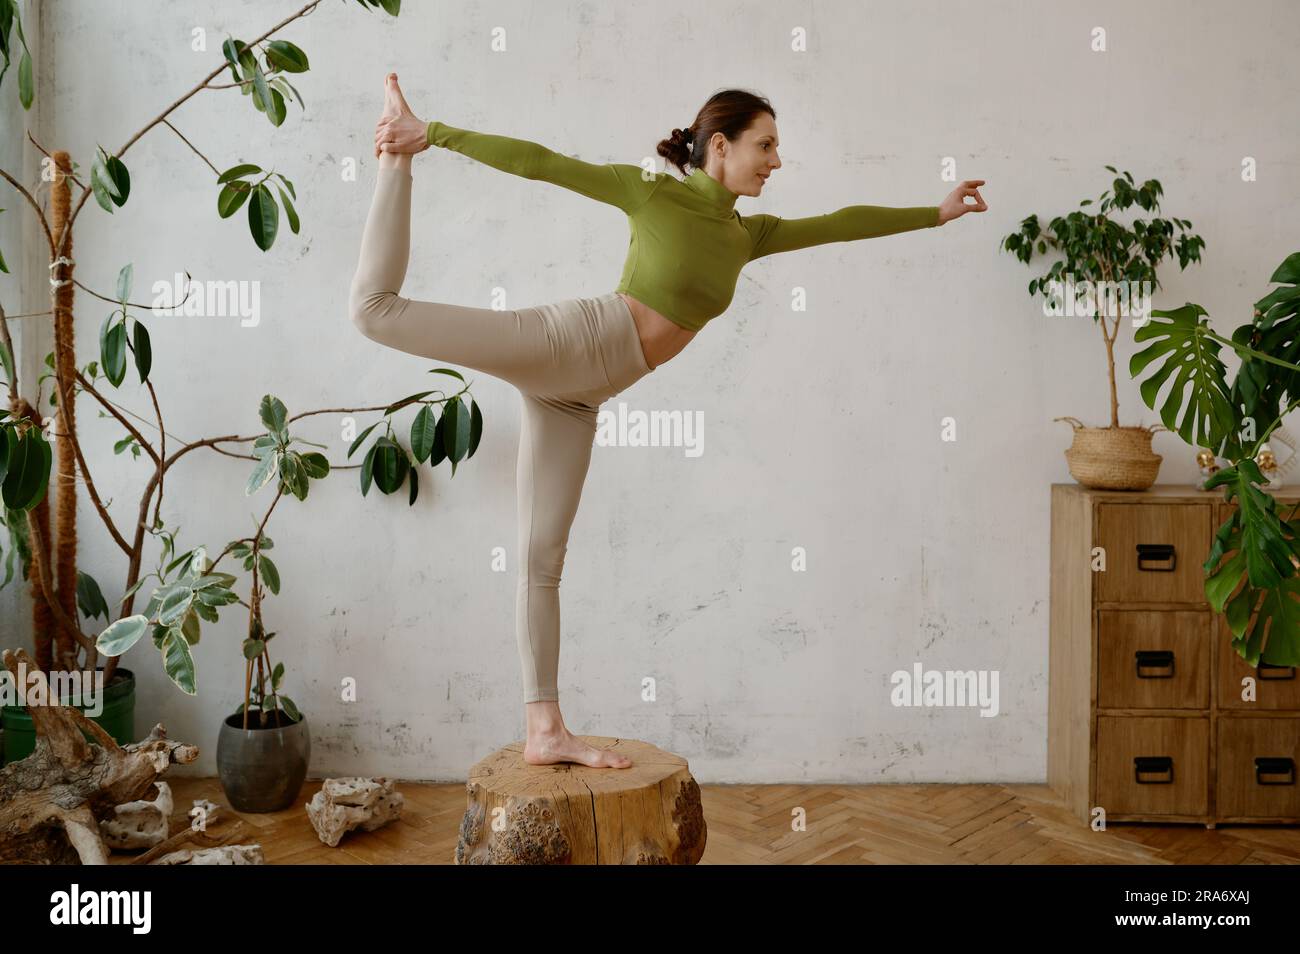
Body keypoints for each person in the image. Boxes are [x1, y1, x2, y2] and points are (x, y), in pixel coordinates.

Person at [350, 74, 988, 769]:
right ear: (721, 144)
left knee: (541, 560)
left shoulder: (748, 235)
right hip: (575, 341)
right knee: (374, 311)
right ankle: (397, 157)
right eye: (765, 145)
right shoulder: (654, 193)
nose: (776, 161)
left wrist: (936, 212)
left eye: (777, 148)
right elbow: (542, 163)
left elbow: (841, 224)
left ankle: (544, 731)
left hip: (578, 397)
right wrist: (432, 136)